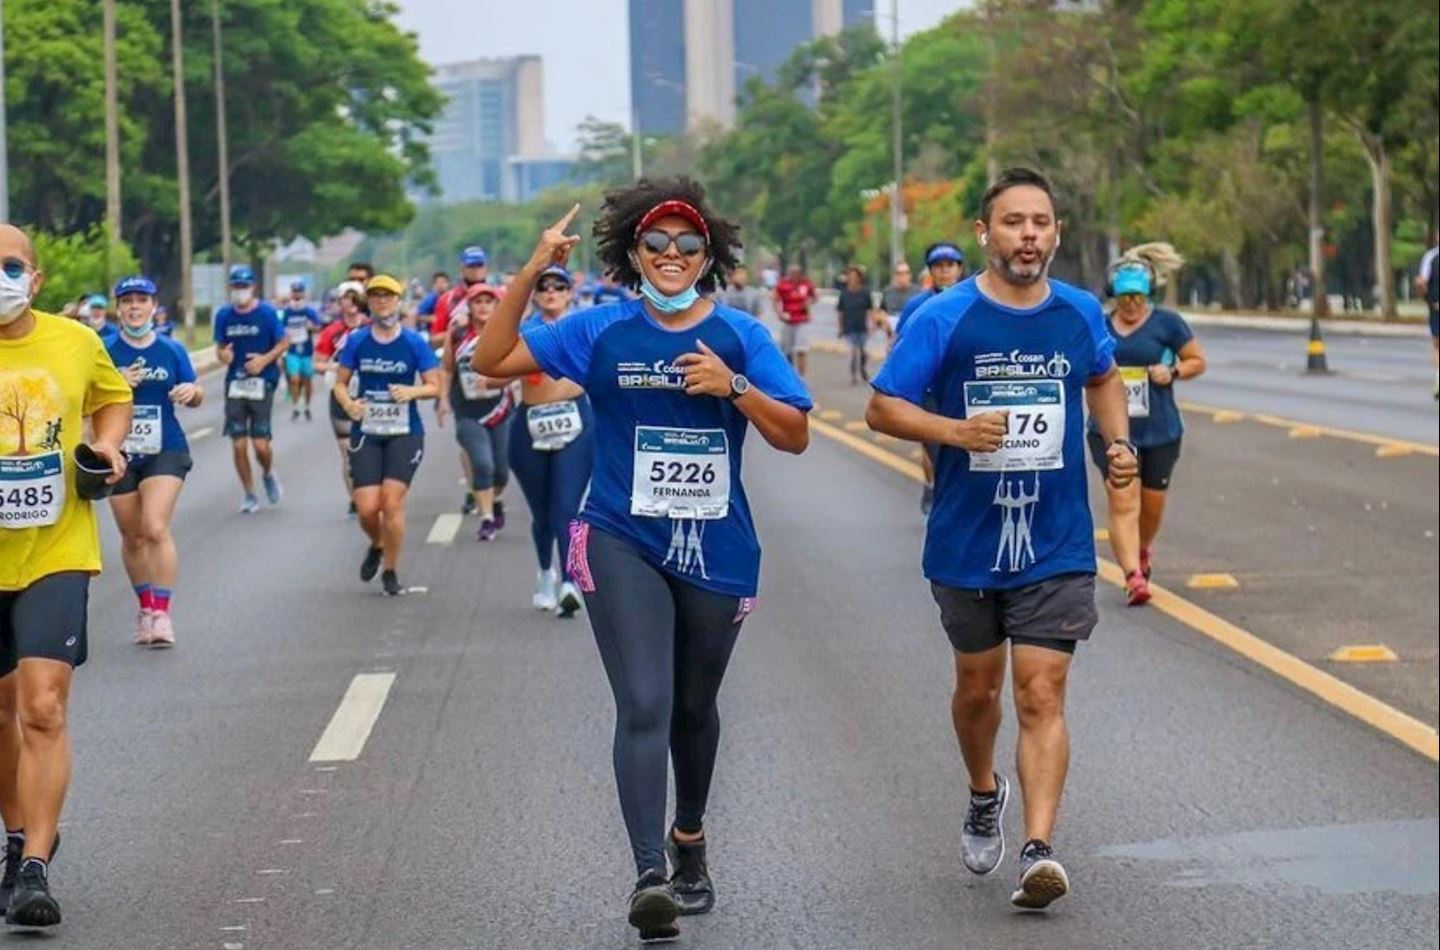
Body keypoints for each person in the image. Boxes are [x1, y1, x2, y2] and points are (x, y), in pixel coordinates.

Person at [474, 180, 812, 944]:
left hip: (716, 547)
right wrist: (530, 271)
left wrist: (737, 388)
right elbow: (492, 358)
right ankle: (648, 875)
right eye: (655, 245)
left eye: (687, 246)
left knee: (694, 709)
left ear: (708, 257)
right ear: (633, 255)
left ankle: (688, 837)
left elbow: (794, 434)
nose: (670, 256)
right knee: (645, 703)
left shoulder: (740, 336)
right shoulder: (600, 331)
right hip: (621, 534)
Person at [866, 168, 1137, 912]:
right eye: (1013, 222)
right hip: (966, 542)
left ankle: (1039, 848)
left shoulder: (1079, 313)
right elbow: (883, 408)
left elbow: (1104, 377)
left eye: (1041, 223)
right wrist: (954, 431)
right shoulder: (944, 317)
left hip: (1056, 541)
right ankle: (984, 790)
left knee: (1042, 690)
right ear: (986, 234)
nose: (1029, 236)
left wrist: (1117, 442)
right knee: (978, 691)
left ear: (1056, 233)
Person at [0, 223, 132, 928]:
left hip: (56, 549)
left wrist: (107, 444)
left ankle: (34, 866)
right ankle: (15, 832)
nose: (1, 278)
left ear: (37, 279)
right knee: (0, 712)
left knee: (42, 705)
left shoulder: (76, 342)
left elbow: (113, 399)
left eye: (10, 265)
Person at [1089, 245, 1206, 605]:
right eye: (1124, 297)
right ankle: (1132, 575)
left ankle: (1140, 549)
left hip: (1160, 429)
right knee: (1123, 499)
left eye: (1138, 296)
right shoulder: (1100, 325)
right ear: (1114, 296)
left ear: (1149, 294)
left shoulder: (1167, 324)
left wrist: (1170, 371)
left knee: (1151, 505)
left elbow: (1196, 360)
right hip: (1110, 431)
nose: (1131, 304)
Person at [104, 276, 204, 647]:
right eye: (127, 301)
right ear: (119, 309)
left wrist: (192, 392)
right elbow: (83, 399)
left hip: (166, 447)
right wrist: (114, 382)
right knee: (131, 536)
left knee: (155, 527)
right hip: (119, 451)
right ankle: (145, 607)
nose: (134, 307)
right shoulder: (103, 350)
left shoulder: (171, 349)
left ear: (153, 307)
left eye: (141, 301)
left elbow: (196, 392)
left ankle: (162, 614)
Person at [491, 264, 593, 616]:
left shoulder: (585, 327)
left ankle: (571, 581)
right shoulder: (523, 332)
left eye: (559, 286)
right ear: (534, 293)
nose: (552, 292)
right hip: (530, 423)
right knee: (543, 513)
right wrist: (524, 363)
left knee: (567, 507)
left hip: (577, 422)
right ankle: (545, 572)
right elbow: (489, 376)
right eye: (544, 286)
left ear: (570, 292)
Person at [334, 275, 440, 596]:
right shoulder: (357, 341)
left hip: (405, 432)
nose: (382, 301)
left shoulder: (414, 342)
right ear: (369, 303)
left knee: (391, 504)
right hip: (367, 430)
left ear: (399, 300)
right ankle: (378, 543)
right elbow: (340, 383)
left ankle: (391, 571)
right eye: (376, 296)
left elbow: (435, 386)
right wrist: (349, 404)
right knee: (367, 508)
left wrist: (412, 391)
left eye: (389, 296)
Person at [896, 242, 969, 515]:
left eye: (950, 266)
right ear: (930, 271)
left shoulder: (974, 301)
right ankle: (936, 491)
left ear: (959, 269)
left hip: (964, 389)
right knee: (937, 451)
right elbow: (901, 347)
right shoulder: (917, 305)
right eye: (939, 266)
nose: (945, 272)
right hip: (929, 391)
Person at [440, 283, 515, 540]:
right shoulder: (459, 334)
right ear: (469, 307)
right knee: (482, 463)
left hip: (500, 409)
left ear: (496, 306)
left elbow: (516, 369)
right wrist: (442, 400)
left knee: (501, 471)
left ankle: (495, 501)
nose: (483, 306)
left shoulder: (504, 333)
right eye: (477, 302)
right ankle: (486, 518)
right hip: (467, 410)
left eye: (488, 301)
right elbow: (447, 368)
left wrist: (497, 382)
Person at [214, 265, 287, 513]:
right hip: (235, 382)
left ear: (253, 287)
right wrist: (223, 356)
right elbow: (220, 348)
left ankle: (267, 472)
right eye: (236, 287)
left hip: (263, 382)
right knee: (238, 444)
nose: (240, 291)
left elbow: (284, 341)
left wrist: (264, 360)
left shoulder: (267, 313)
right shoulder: (224, 315)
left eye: (244, 287)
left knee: (260, 445)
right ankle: (249, 493)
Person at [314, 282, 368, 518]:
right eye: (345, 298)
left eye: (354, 298)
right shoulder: (332, 331)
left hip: (370, 396)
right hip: (341, 395)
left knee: (369, 449)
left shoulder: (372, 327)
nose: (349, 303)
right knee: (348, 453)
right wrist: (334, 366)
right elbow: (317, 362)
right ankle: (354, 500)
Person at [280, 282, 325, 422]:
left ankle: (306, 406)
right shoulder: (287, 311)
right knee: (294, 379)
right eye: (294, 291)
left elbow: (319, 327)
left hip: (306, 350)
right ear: (291, 293)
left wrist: (311, 327)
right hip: (292, 350)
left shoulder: (309, 311)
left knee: (307, 380)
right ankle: (296, 406)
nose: (297, 294)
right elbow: (280, 329)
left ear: (303, 293)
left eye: (299, 291)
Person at [429, 246, 489, 347]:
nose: (476, 270)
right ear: (462, 268)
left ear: (486, 268)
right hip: (459, 358)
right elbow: (435, 341)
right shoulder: (448, 299)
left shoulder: (499, 296)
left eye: (480, 265)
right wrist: (456, 330)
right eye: (471, 266)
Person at [773, 263, 817, 376]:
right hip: (788, 320)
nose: (794, 276)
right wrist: (779, 313)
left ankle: (801, 376)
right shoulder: (783, 284)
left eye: (797, 274)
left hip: (802, 320)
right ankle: (789, 374)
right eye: (792, 273)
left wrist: (808, 303)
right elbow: (775, 299)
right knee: (786, 350)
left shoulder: (806, 284)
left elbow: (815, 297)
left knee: (801, 349)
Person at [836, 265, 875, 384]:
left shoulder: (865, 292)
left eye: (854, 277)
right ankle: (854, 375)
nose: (852, 279)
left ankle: (862, 368)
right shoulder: (844, 294)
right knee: (853, 351)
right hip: (849, 326)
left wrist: (871, 324)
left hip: (862, 325)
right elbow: (840, 311)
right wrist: (841, 328)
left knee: (862, 351)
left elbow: (870, 310)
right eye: (850, 277)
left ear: (859, 278)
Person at [1417, 236, 1438, 399]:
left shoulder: (1431, 257)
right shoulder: (1431, 257)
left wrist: (1426, 297)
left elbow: (1422, 282)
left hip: (1437, 305)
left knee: (1437, 344)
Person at [879, 260, 923, 338]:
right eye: (900, 273)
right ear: (895, 276)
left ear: (910, 275)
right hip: (892, 333)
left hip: (912, 331)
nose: (903, 276)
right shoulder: (887, 292)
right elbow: (882, 311)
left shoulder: (918, 292)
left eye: (906, 273)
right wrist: (885, 323)